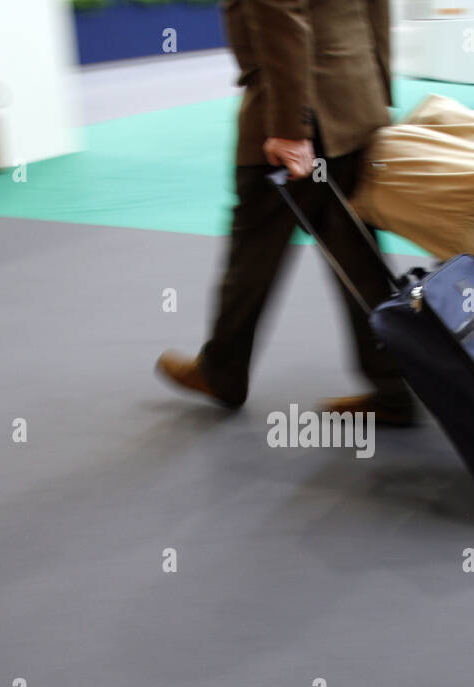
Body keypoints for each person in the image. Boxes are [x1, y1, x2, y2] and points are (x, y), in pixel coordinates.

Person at [156, 0, 416, 426]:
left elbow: (280, 12)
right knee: (355, 255)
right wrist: (377, 92)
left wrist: (289, 128)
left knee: (255, 249)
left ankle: (222, 371)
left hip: (297, 108)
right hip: (351, 97)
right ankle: (393, 384)